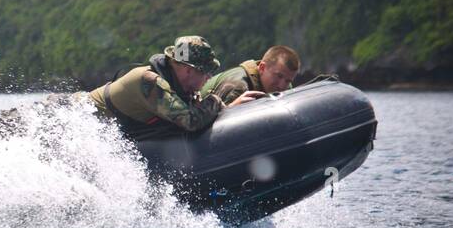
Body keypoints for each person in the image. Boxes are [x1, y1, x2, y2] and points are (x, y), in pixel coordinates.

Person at [87, 35, 262, 141]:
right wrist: (216, 100)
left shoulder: (180, 87)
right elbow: (190, 121)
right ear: (188, 70)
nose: (209, 77)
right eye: (205, 72)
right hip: (78, 115)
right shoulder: (150, 81)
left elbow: (197, 112)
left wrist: (228, 108)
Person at [201, 45, 301, 104]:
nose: (282, 85)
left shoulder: (285, 88)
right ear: (262, 68)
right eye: (278, 76)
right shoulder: (237, 86)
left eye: (288, 81)